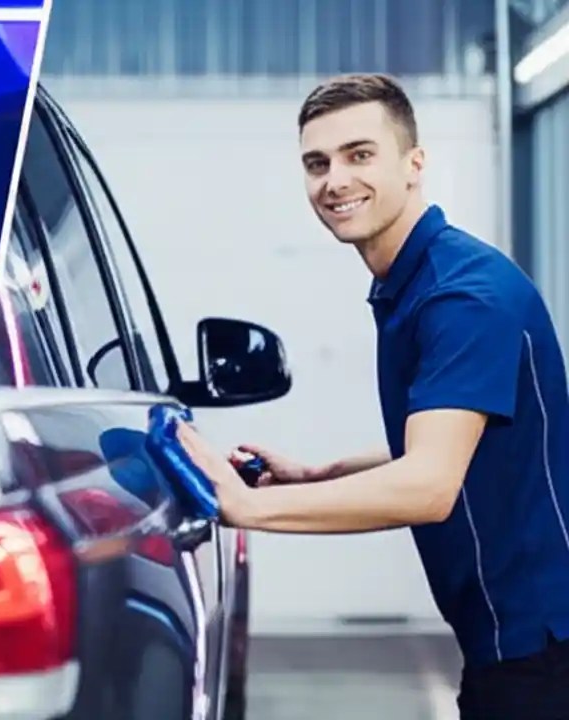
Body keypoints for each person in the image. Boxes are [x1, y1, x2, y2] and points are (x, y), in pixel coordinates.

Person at [174, 73, 569, 719]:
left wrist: (244, 507)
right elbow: (457, 446)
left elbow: (429, 486)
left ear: (414, 164)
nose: (335, 180)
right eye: (316, 163)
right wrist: (319, 475)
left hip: (543, 650)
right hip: (512, 642)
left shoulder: (463, 299)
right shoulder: (418, 281)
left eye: (360, 154)